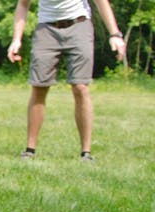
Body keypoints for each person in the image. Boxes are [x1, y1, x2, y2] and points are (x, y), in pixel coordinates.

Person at [8, 0, 126, 162]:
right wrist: (16, 39)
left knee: (80, 87)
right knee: (39, 87)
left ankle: (86, 153)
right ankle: (30, 150)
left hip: (79, 25)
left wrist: (115, 34)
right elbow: (23, 5)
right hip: (46, 29)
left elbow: (101, 2)